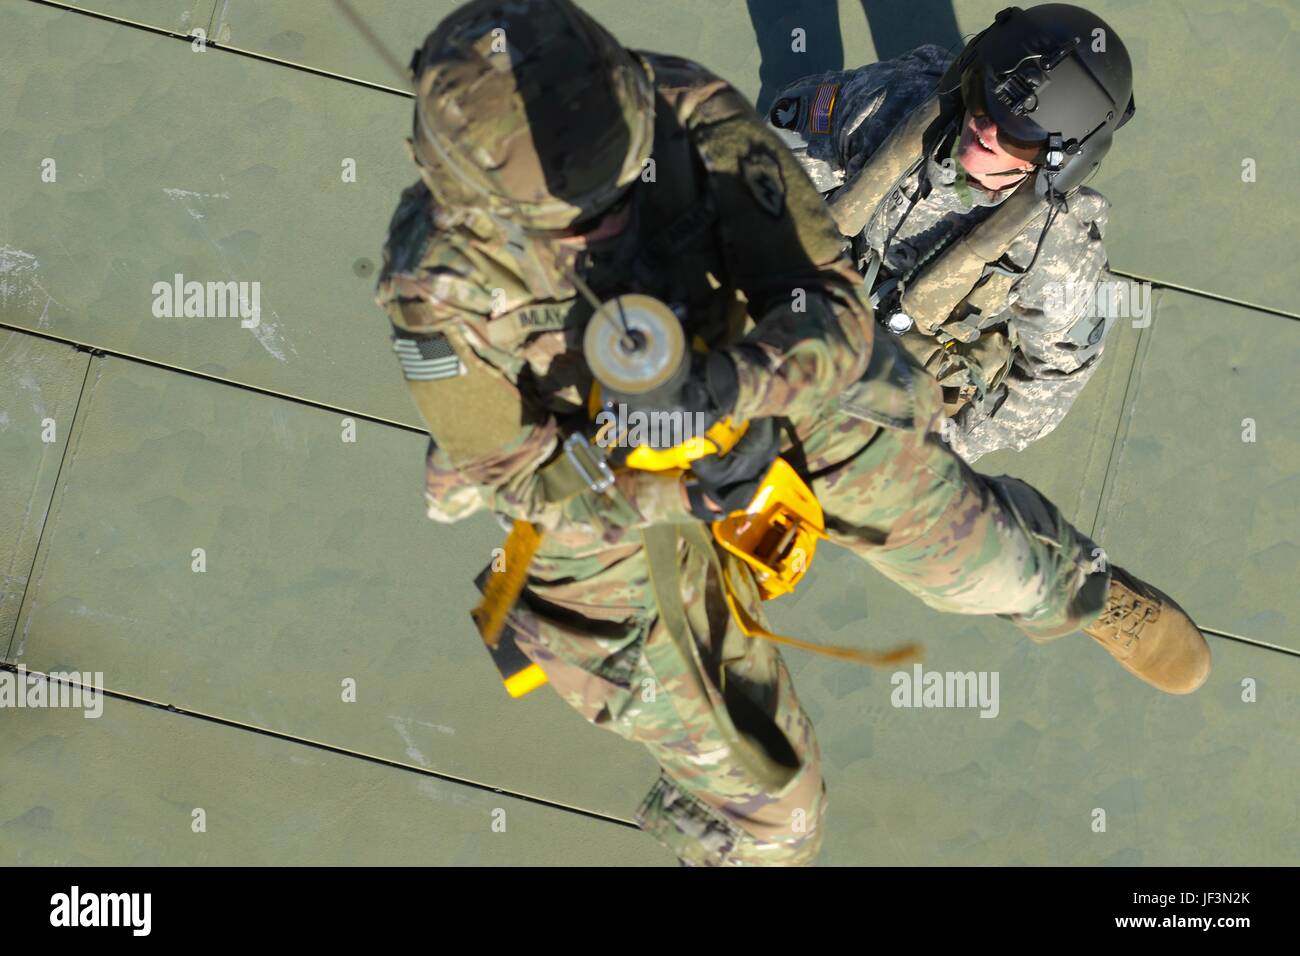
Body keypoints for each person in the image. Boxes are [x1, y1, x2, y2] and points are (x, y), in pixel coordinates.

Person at [375, 0, 1209, 867]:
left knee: (972, 556)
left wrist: (734, 391)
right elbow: (513, 474)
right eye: (575, 216)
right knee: (777, 817)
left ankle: (1068, 587)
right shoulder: (432, 292)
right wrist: (678, 480)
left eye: (621, 187)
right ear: (475, 199)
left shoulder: (675, 108)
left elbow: (822, 302)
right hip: (603, 483)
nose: (611, 222)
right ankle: (726, 813)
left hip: (764, 359)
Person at [768, 4, 1135, 462]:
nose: (983, 129)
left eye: (1017, 136)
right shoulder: (891, 103)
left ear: (1061, 163)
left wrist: (946, 445)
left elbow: (1056, 374)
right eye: (983, 98)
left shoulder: (1056, 249)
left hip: (925, 359)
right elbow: (778, 163)